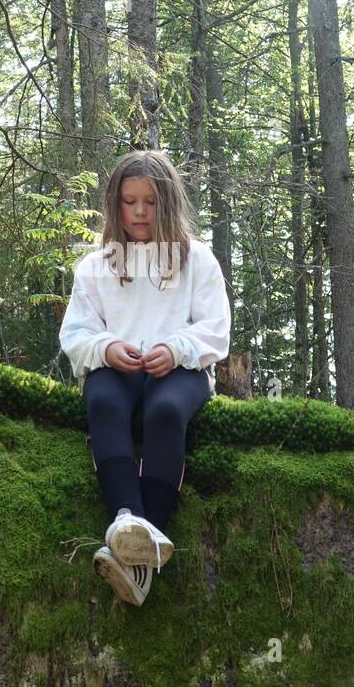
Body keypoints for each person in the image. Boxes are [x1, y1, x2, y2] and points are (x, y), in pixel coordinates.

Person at [58, 150, 232, 605]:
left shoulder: (197, 261)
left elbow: (215, 330)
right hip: (117, 370)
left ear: (168, 202)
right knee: (103, 404)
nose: (139, 212)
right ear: (115, 204)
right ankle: (126, 521)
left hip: (180, 372)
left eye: (151, 202)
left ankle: (143, 545)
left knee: (166, 411)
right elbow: (77, 331)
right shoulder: (97, 265)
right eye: (129, 201)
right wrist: (106, 348)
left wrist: (176, 349)